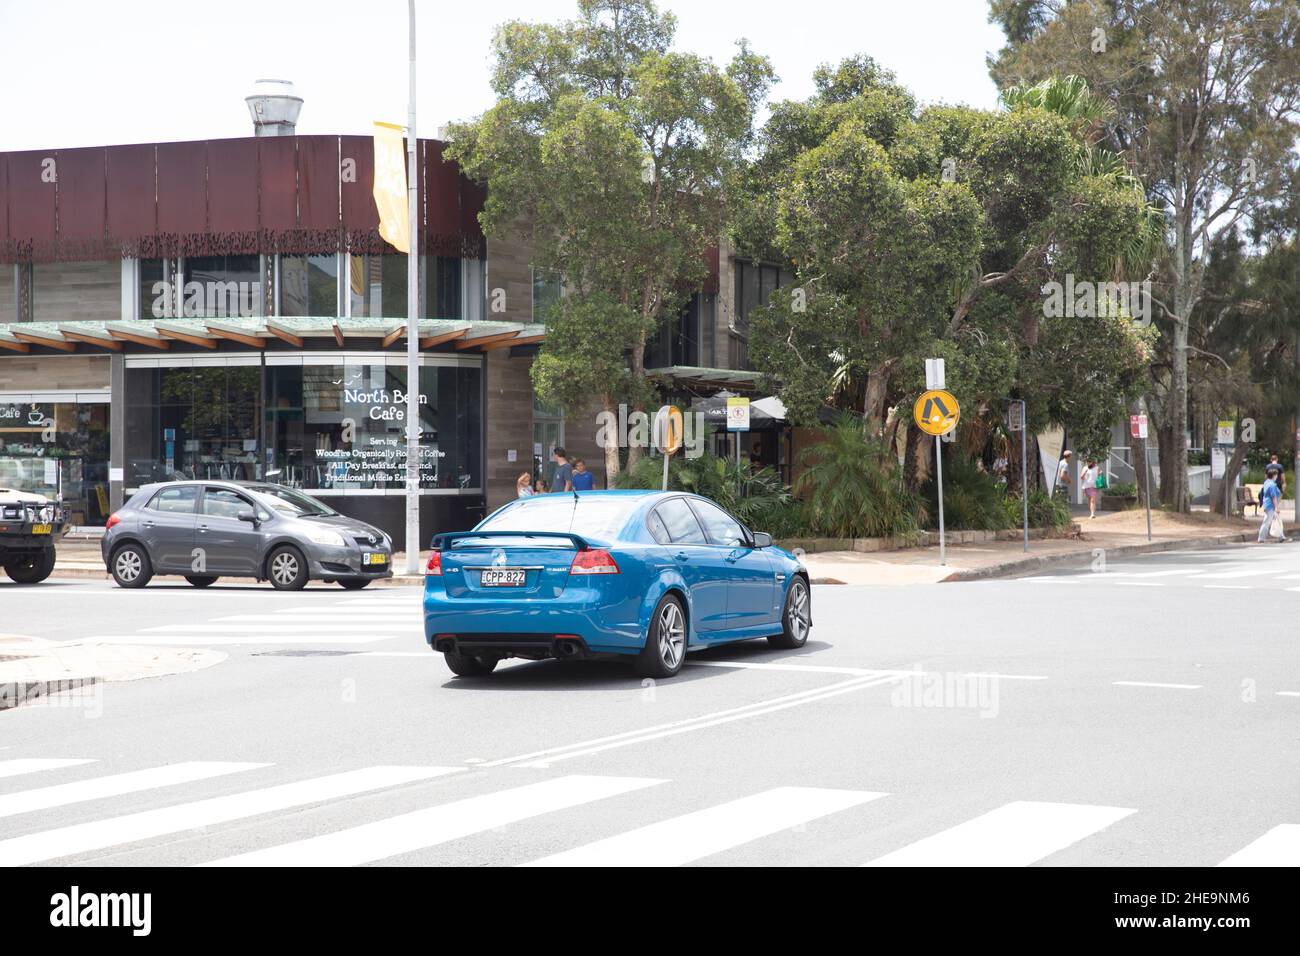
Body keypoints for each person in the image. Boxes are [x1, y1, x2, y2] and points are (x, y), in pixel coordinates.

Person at [1258, 465, 1283, 543]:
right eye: (1276, 475)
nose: (1277, 477)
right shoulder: (1272, 485)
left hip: (1267, 504)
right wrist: (1276, 507)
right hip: (1271, 506)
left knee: (1276, 520)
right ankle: (1261, 538)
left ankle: (1281, 536)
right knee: (1267, 522)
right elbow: (1274, 497)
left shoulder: (1266, 482)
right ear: (1273, 475)